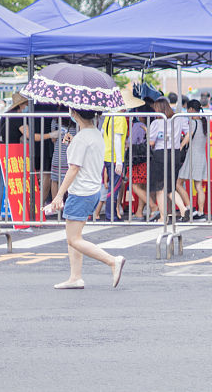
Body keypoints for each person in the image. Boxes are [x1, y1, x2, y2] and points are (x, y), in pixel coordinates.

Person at [48, 108, 126, 290]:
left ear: (75, 114)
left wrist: (59, 195)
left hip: (80, 192)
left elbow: (73, 168)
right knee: (75, 237)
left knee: (73, 239)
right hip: (91, 190)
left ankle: (112, 261)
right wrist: (73, 142)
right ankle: (75, 277)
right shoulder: (95, 135)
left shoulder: (82, 139)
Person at [149, 97, 189, 221]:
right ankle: (183, 209)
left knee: (160, 188)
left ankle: (162, 216)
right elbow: (189, 132)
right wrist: (181, 145)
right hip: (175, 154)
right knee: (170, 187)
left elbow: (151, 142)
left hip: (161, 155)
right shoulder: (178, 119)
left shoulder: (156, 123)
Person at [177, 100, 210, 220]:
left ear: (191, 109)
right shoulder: (204, 122)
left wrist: (180, 146)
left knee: (178, 183)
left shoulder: (193, 122)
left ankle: (189, 207)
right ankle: (200, 212)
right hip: (202, 156)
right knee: (199, 186)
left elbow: (189, 135)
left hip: (193, 156)